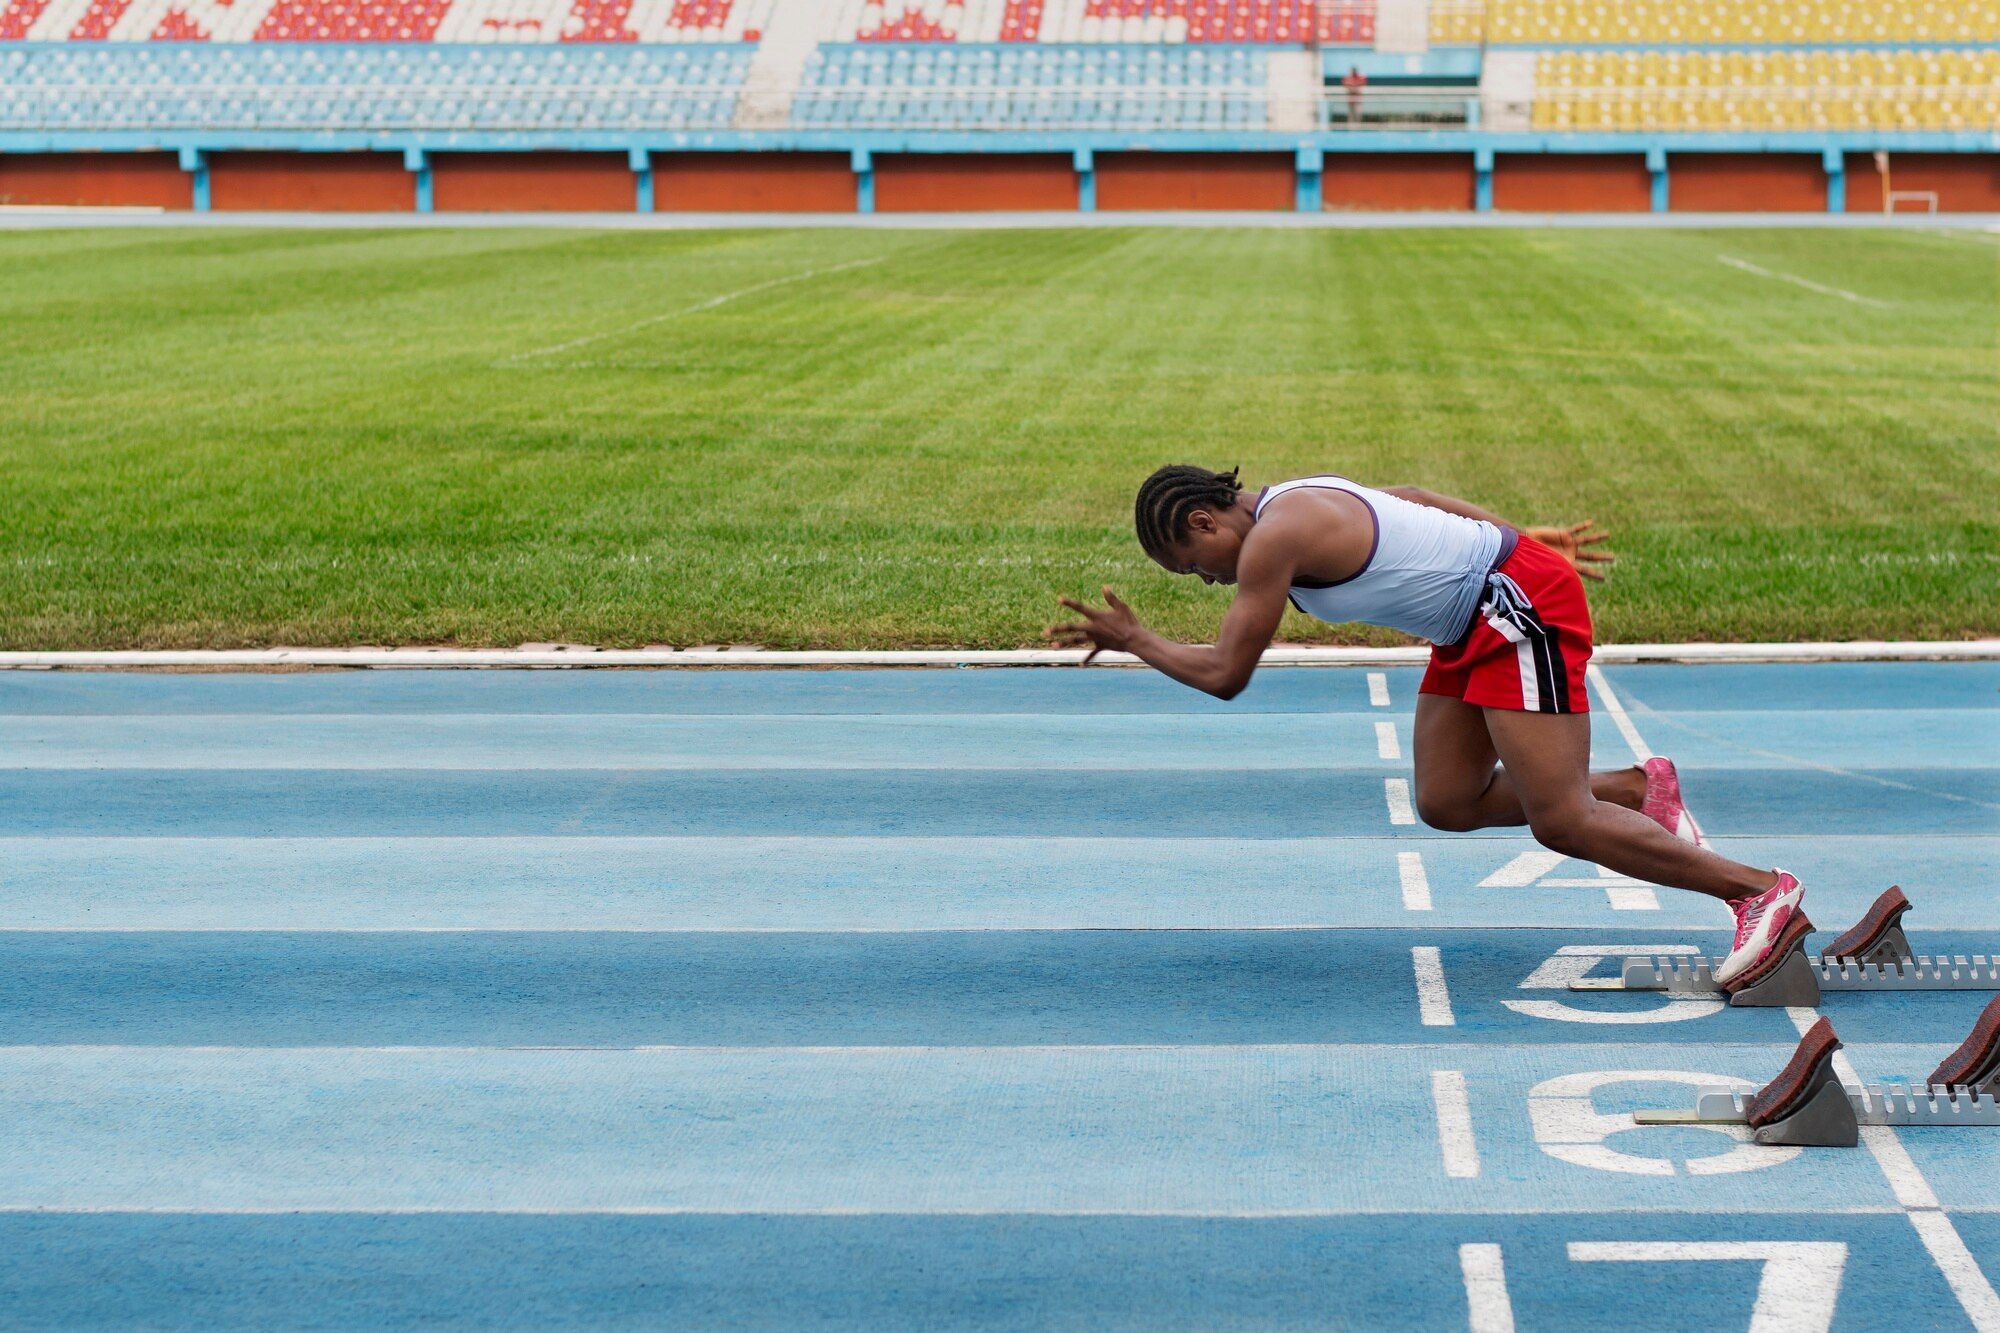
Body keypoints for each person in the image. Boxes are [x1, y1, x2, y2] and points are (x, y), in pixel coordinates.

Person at [1047, 465, 1805, 987]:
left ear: (1203, 519)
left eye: (1193, 563)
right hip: (1472, 615)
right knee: (1446, 799)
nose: (1208, 579)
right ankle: (1642, 791)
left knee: (1563, 821)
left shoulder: (1275, 538)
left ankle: (1758, 891)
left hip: (1514, 606)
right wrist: (1523, 537)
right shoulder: (1293, 496)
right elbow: (1407, 496)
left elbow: (1226, 674)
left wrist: (1139, 640)